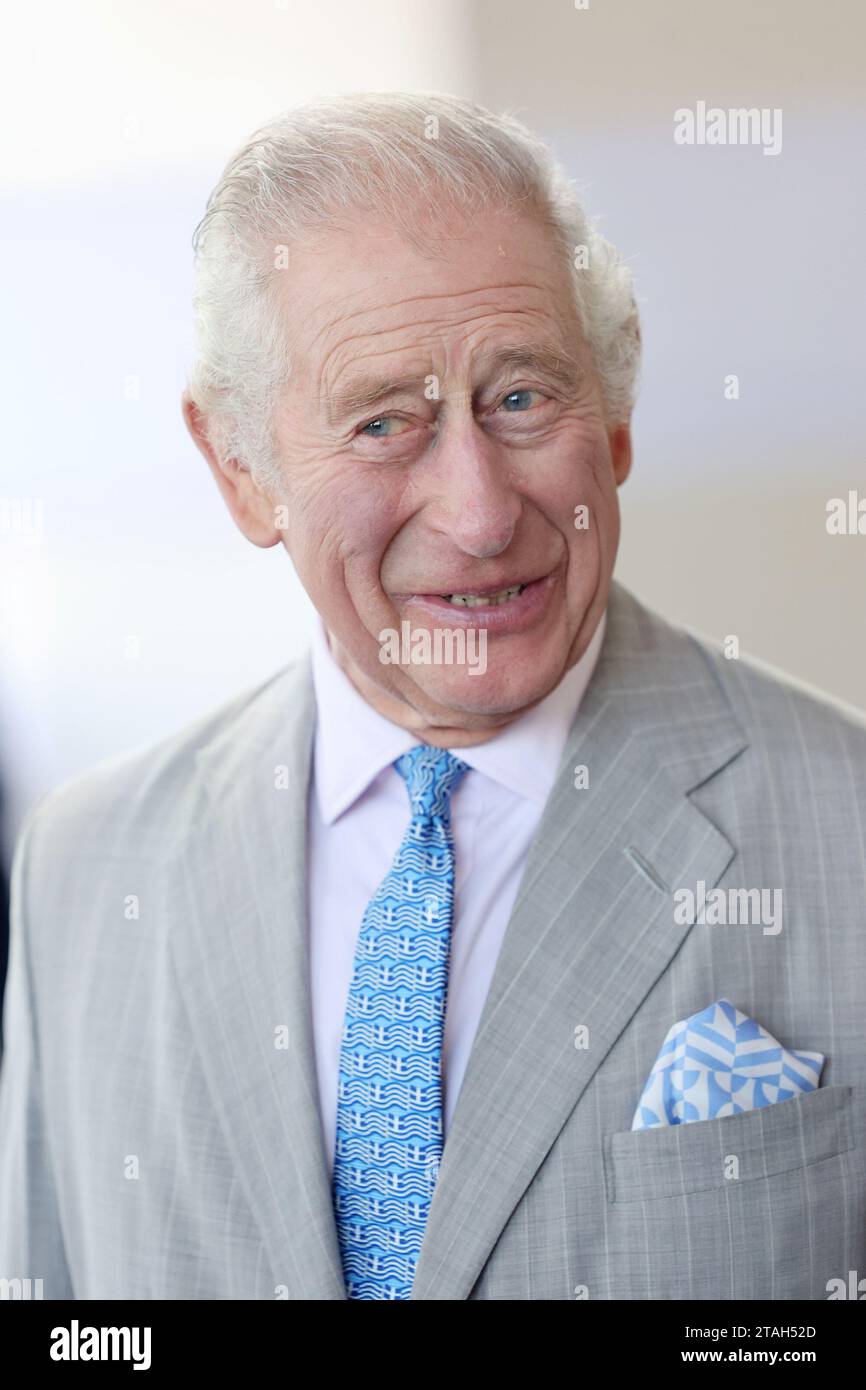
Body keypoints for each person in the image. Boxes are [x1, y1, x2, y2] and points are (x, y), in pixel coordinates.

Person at [0, 92, 863, 1301]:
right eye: (383, 423)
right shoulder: (85, 870)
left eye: (519, 398)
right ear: (243, 473)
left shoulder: (845, 831)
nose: (476, 512)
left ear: (612, 420)